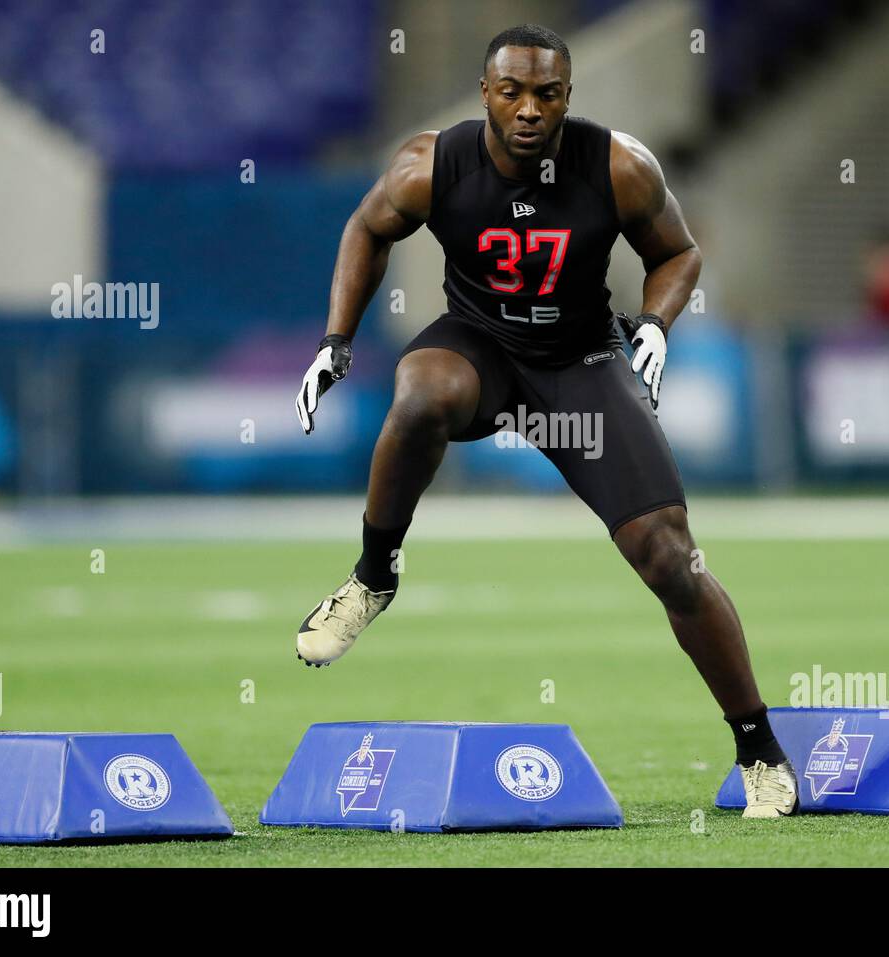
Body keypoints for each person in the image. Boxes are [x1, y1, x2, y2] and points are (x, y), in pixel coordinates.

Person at [293, 24, 796, 817]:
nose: (529, 110)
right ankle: (372, 576)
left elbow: (679, 252)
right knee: (419, 392)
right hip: (481, 350)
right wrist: (336, 340)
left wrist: (656, 323)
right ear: (486, 92)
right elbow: (366, 226)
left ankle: (758, 746)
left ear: (569, 97)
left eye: (548, 94)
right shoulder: (433, 163)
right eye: (512, 92)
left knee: (671, 558)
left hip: (579, 363)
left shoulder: (617, 165)